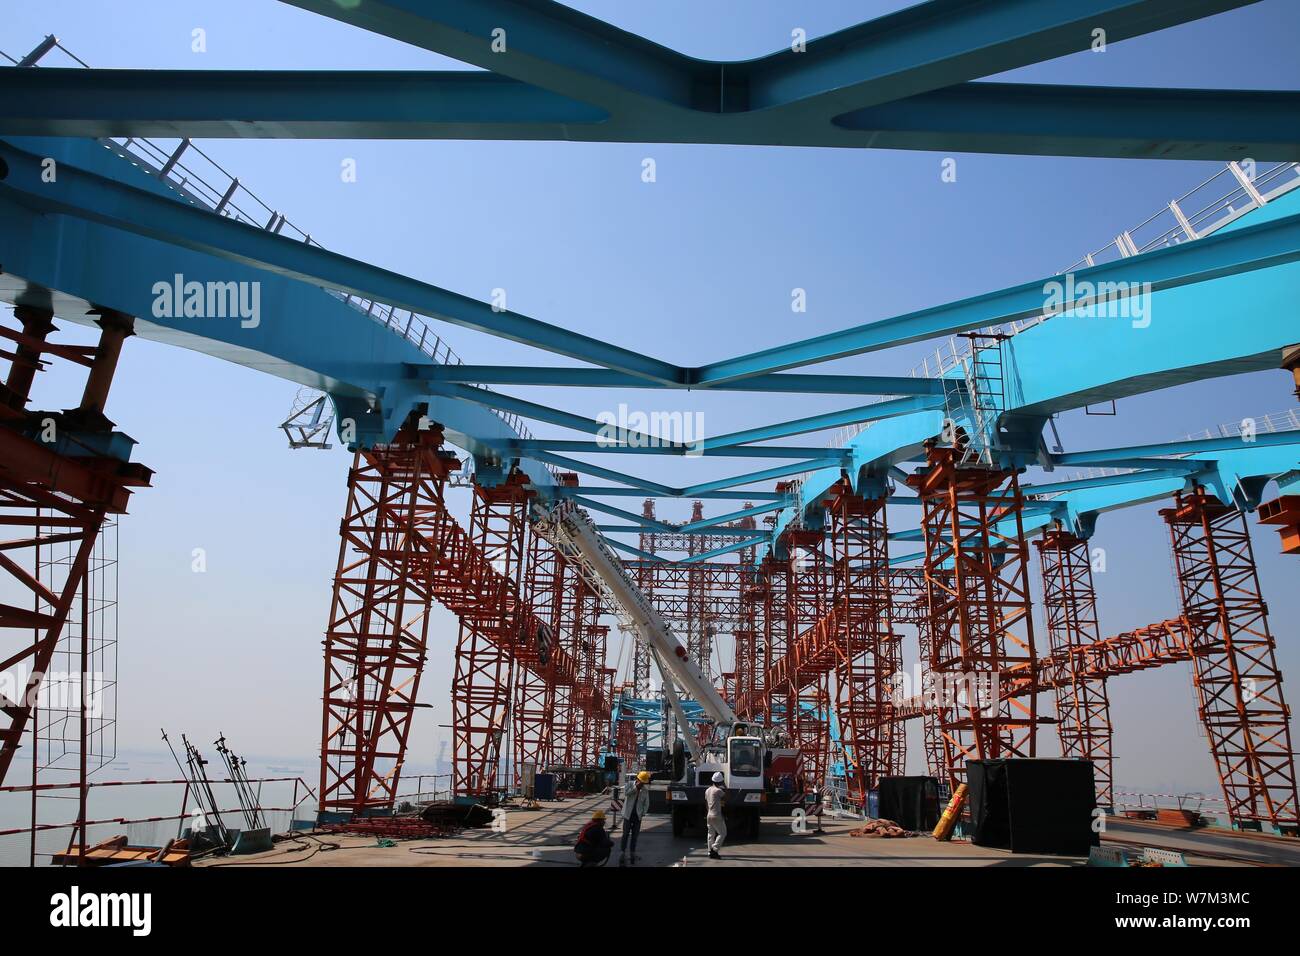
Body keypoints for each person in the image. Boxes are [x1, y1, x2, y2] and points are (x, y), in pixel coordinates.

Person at [619, 770, 651, 865]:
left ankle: (632, 852)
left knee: (635, 836)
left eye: (644, 783)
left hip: (637, 816)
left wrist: (643, 813)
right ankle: (622, 852)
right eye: (642, 782)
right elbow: (626, 793)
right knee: (625, 834)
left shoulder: (645, 790)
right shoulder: (629, 784)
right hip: (628, 815)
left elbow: (647, 803)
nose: (643, 784)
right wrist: (635, 788)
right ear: (637, 779)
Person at [706, 771, 727, 859]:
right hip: (716, 815)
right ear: (720, 782)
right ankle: (714, 849)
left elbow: (706, 804)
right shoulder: (718, 790)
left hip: (709, 814)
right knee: (723, 833)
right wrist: (725, 786)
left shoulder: (708, 790)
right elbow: (727, 797)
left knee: (711, 834)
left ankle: (710, 851)